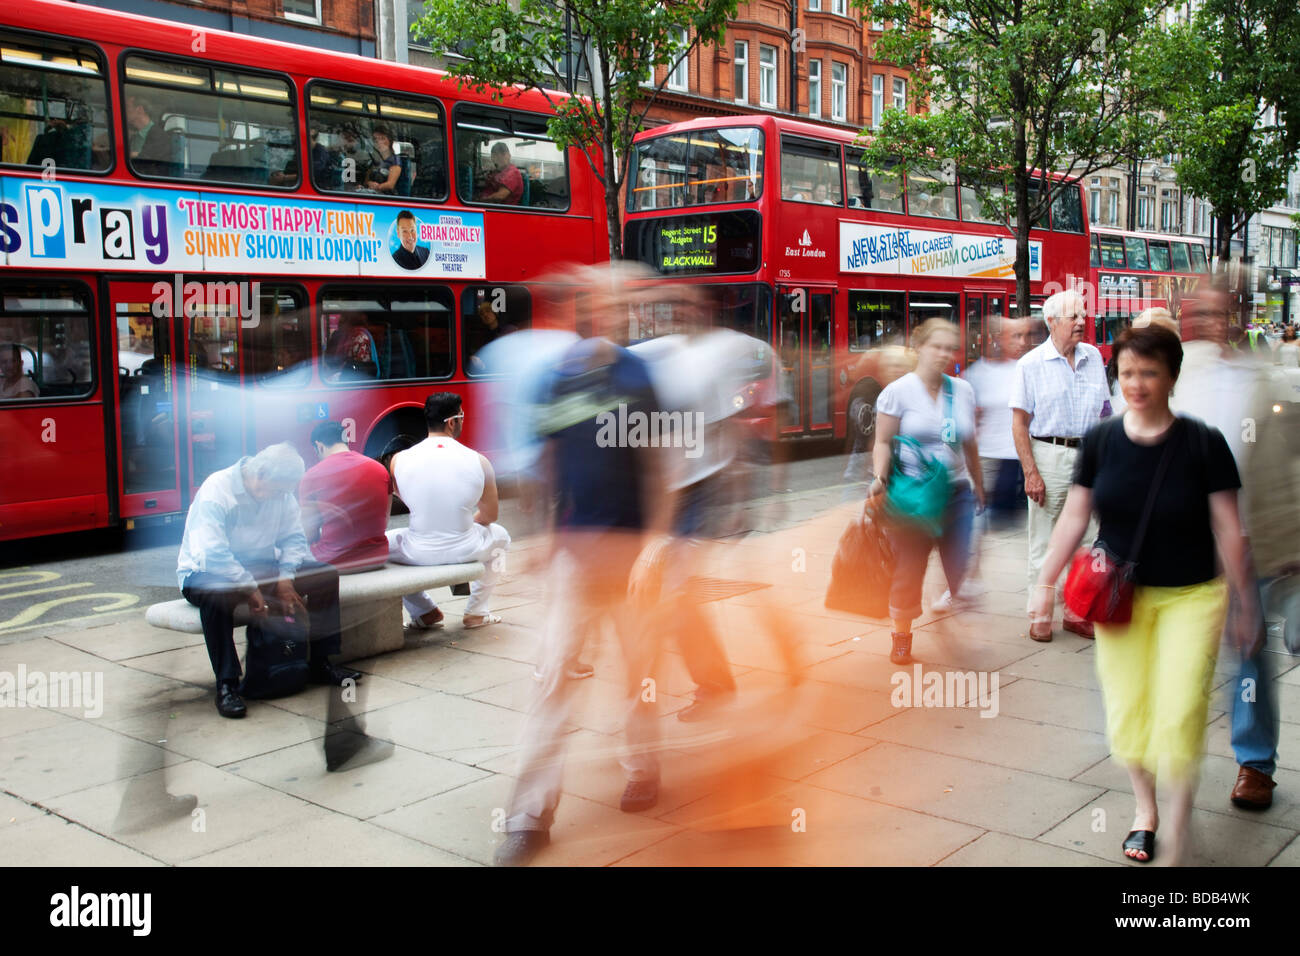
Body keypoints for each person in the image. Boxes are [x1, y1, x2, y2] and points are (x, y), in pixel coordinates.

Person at [1030, 325, 1255, 865]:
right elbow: (1076, 517)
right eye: (1127, 372)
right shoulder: (1103, 440)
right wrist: (1043, 584)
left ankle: (1176, 828)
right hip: (1120, 601)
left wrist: (1245, 604)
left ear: (1171, 377)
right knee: (1128, 712)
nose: (1136, 383)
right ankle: (1144, 811)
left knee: (1179, 712)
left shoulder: (1203, 443)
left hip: (1192, 595)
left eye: (1149, 372)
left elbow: (1229, 529)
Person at [494, 265, 672, 867]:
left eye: (618, 302)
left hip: (630, 554)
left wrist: (655, 544)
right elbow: (543, 463)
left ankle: (642, 768)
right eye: (597, 300)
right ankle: (529, 816)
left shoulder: (638, 373)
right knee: (552, 681)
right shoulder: (556, 376)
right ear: (581, 308)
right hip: (575, 555)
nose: (607, 310)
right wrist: (544, 537)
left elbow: (661, 465)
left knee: (637, 672)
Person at [1171, 286, 1285, 811]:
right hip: (1187, 538)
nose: (1211, 323)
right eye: (1201, 313)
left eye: (1220, 313)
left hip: (1247, 535)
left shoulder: (1261, 378)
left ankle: (1254, 762)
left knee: (1250, 653)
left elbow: (1283, 464)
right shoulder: (1174, 374)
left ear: (1237, 318)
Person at [175, 443, 362, 719]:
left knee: (323, 575)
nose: (280, 496)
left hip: (262, 566)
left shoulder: (280, 492)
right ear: (259, 473)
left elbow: (294, 538)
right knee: (218, 592)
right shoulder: (217, 490)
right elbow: (213, 553)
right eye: (277, 489)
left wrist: (285, 580)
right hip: (206, 571)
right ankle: (227, 684)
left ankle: (321, 661)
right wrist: (249, 586)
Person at [868, 318, 985, 665]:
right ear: (919, 346)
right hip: (914, 496)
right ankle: (901, 633)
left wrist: (979, 483)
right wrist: (879, 477)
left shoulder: (962, 390)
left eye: (950, 348)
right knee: (909, 568)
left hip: (956, 491)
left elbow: (970, 443)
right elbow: (883, 443)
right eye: (937, 346)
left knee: (960, 562)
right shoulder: (898, 392)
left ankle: (957, 609)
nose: (944, 354)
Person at [1010, 288, 1111, 641]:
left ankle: (1076, 611)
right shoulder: (1030, 365)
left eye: (1083, 315)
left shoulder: (1094, 357)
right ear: (1052, 322)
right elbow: (1019, 423)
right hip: (1048, 454)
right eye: (1074, 317)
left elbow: (1105, 412)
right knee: (1044, 539)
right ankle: (1040, 615)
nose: (1082, 322)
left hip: (1089, 457)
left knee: (1086, 540)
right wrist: (1030, 472)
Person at [386, 392, 510, 631]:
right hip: (466, 548)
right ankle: (477, 610)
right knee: (502, 537)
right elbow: (489, 516)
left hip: (417, 550)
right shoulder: (479, 461)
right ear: (452, 421)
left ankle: (423, 610)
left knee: (381, 545)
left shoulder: (399, 460)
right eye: (462, 416)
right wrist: (461, 526)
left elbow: (410, 499)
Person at [939, 315, 1030, 608]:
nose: (1021, 343)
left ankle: (1048, 583)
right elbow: (966, 419)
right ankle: (960, 582)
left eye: (1025, 336)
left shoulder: (1026, 370)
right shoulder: (977, 374)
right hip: (987, 458)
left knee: (1028, 526)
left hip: (1020, 459)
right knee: (974, 527)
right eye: (1014, 336)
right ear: (998, 338)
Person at [298, 421, 391, 573]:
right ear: (346, 439)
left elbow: (309, 534)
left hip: (334, 561)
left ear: (319, 445)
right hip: (377, 557)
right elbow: (384, 521)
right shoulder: (379, 468)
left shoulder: (311, 476)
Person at [125, 94, 178, 175]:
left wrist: (130, 154)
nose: (123, 110)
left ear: (140, 110)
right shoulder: (133, 136)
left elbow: (148, 161)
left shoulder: (160, 136)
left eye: (127, 107)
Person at [365, 125, 407, 195]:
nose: (379, 142)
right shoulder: (374, 160)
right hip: (370, 196)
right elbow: (366, 180)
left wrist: (377, 187)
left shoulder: (395, 160)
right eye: (375, 139)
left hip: (387, 198)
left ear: (389, 141)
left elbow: (390, 185)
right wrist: (369, 183)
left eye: (382, 138)